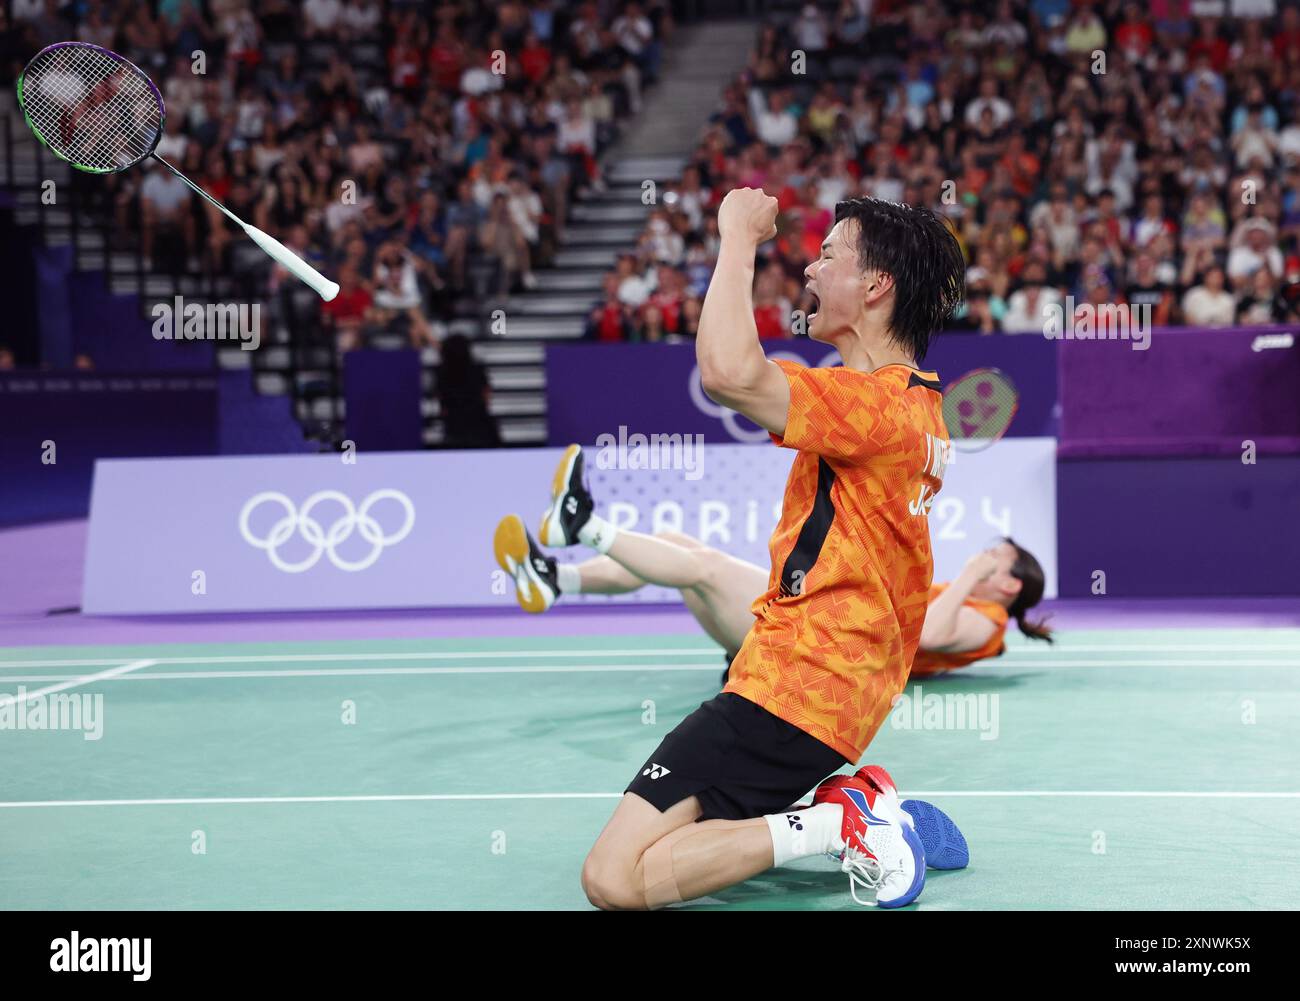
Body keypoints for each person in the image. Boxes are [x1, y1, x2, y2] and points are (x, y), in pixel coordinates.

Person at [501, 192, 967, 909]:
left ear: (876, 286)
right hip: (840, 698)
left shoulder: (874, 406)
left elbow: (726, 371)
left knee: (612, 877)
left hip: (789, 688)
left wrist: (736, 236)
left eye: (830, 254)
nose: (810, 268)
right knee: (697, 845)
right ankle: (854, 809)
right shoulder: (919, 407)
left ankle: (842, 822)